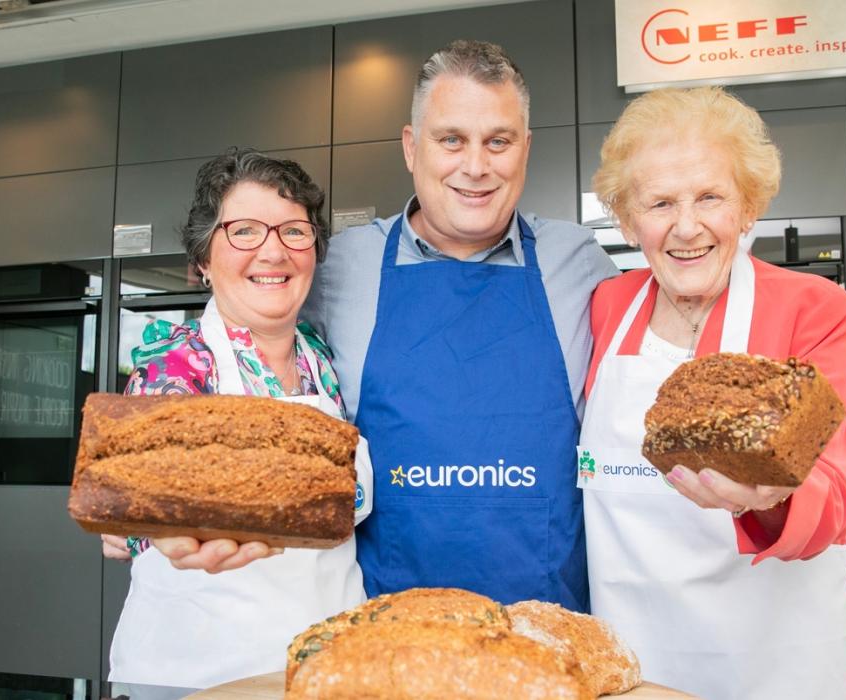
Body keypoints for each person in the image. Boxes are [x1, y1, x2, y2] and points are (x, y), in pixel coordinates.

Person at [304, 40, 617, 611]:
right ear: (410, 146)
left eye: (498, 141)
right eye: (451, 139)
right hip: (384, 634)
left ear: (525, 148)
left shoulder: (578, 261)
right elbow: (257, 373)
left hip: (546, 632)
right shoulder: (341, 267)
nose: (476, 166)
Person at [581, 86, 846, 699]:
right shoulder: (608, 305)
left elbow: (836, 490)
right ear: (629, 222)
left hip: (771, 655)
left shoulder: (813, 308)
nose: (687, 227)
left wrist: (769, 497)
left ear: (748, 206)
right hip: (638, 650)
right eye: (659, 203)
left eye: (710, 196)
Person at [100, 148, 371, 690]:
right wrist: (136, 522)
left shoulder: (324, 357)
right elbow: (128, 499)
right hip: (198, 673)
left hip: (325, 666)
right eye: (244, 231)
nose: (273, 252)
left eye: (294, 231)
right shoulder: (175, 366)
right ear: (204, 259)